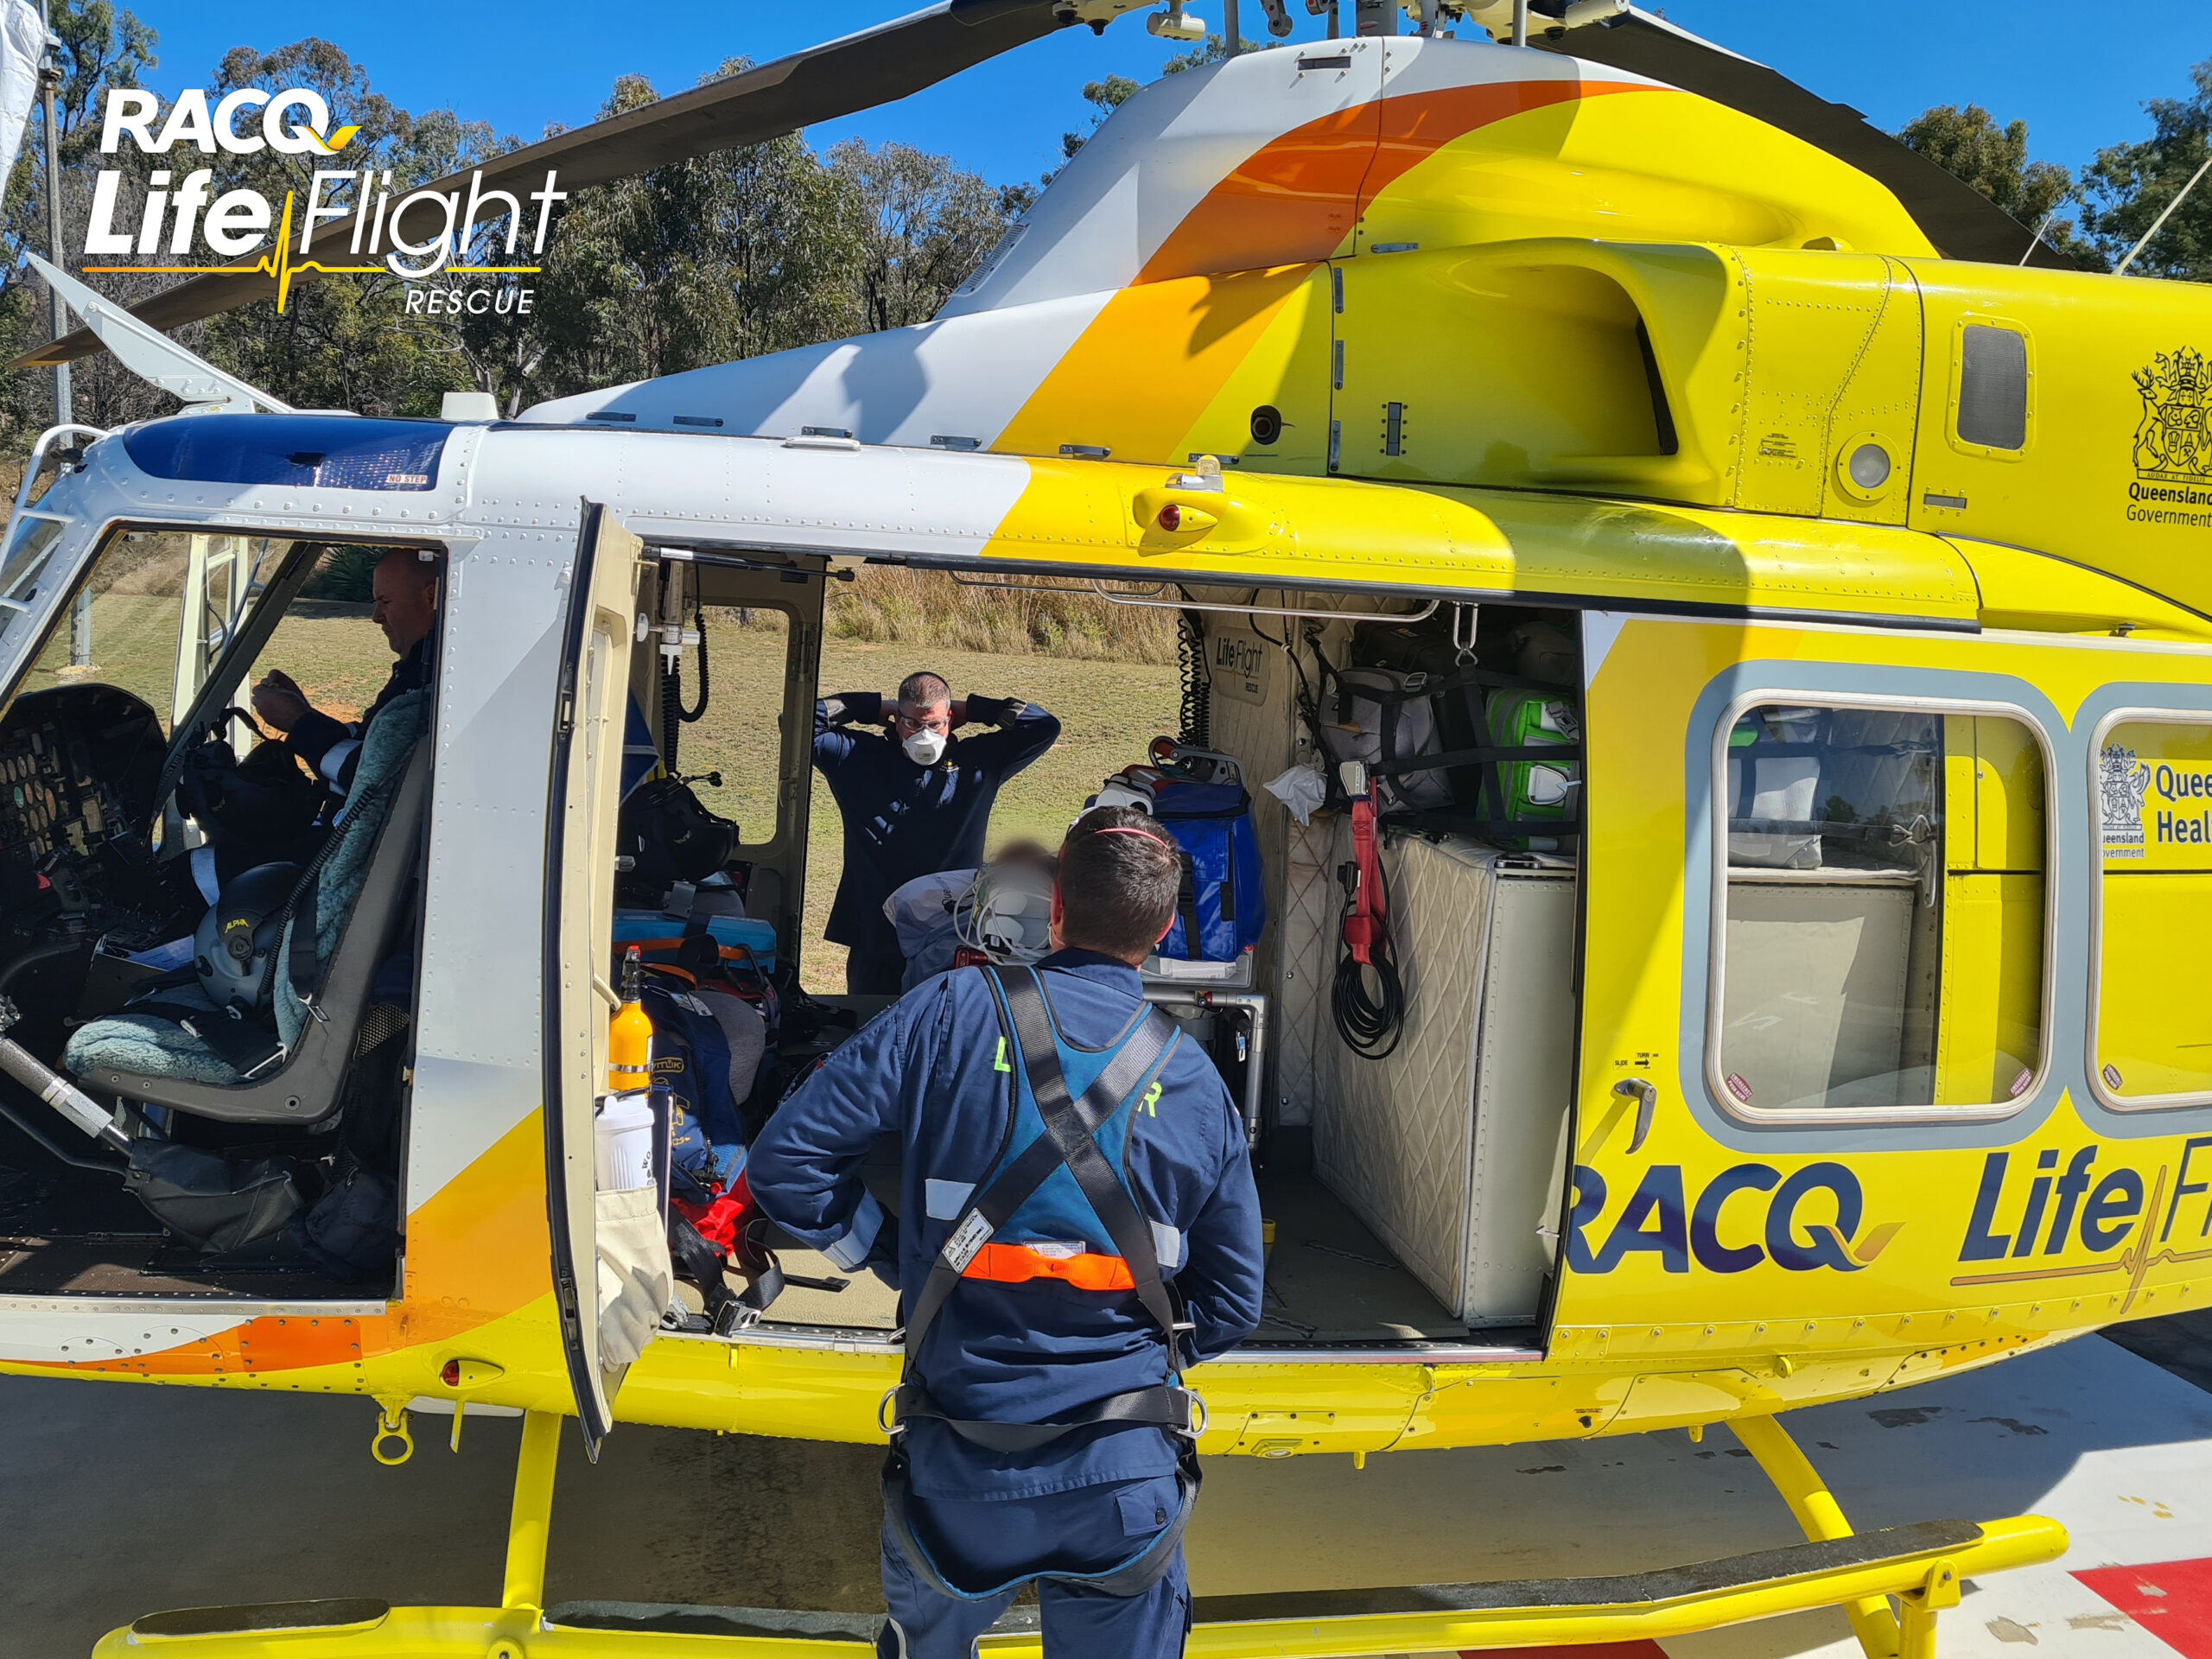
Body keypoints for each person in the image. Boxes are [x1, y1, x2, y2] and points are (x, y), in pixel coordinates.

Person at [748, 807, 1263, 1659]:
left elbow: (788, 1161)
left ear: (1053, 907)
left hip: (958, 1468)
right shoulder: (1196, 1080)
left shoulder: (947, 1009)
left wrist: (889, 1257)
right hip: (1122, 1482)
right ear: (1165, 930)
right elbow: (1234, 1301)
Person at [814, 671, 1060, 995]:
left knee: (944, 1028)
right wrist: (874, 706)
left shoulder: (977, 763)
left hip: (951, 933)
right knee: (871, 1022)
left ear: (950, 720)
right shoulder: (857, 756)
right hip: (875, 932)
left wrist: (972, 709)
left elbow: (1043, 726)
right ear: (895, 721)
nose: (924, 734)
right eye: (913, 724)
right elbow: (800, 721)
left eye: (935, 724)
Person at [251, 548, 439, 805]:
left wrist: (299, 721)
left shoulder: (429, 681)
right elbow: (369, 739)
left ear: (431, 597)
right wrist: (305, 713)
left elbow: (367, 780)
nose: (376, 617)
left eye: (386, 602)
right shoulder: (421, 668)